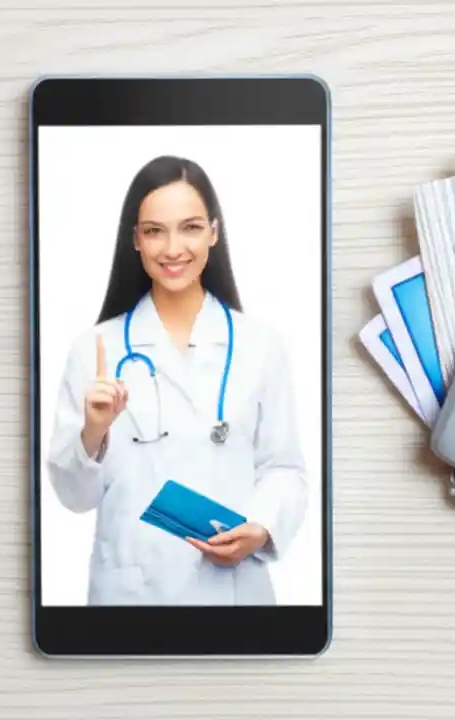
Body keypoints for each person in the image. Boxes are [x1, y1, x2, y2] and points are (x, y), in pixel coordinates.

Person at [47, 155, 308, 606]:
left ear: (214, 231)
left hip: (233, 594)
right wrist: (93, 431)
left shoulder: (261, 346)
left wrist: (260, 528)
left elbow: (284, 469)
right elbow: (75, 497)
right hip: (131, 596)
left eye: (189, 227)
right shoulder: (96, 349)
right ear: (135, 239)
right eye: (154, 231)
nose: (172, 248)